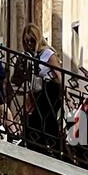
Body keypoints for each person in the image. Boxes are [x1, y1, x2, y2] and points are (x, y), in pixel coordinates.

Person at [19, 24, 65, 156]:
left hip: (52, 89)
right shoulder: (33, 55)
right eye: (26, 41)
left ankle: (51, 150)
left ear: (38, 39)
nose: (29, 44)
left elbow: (59, 75)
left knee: (44, 119)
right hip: (41, 91)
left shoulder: (48, 53)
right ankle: (45, 150)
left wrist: (64, 93)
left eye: (32, 40)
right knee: (42, 120)